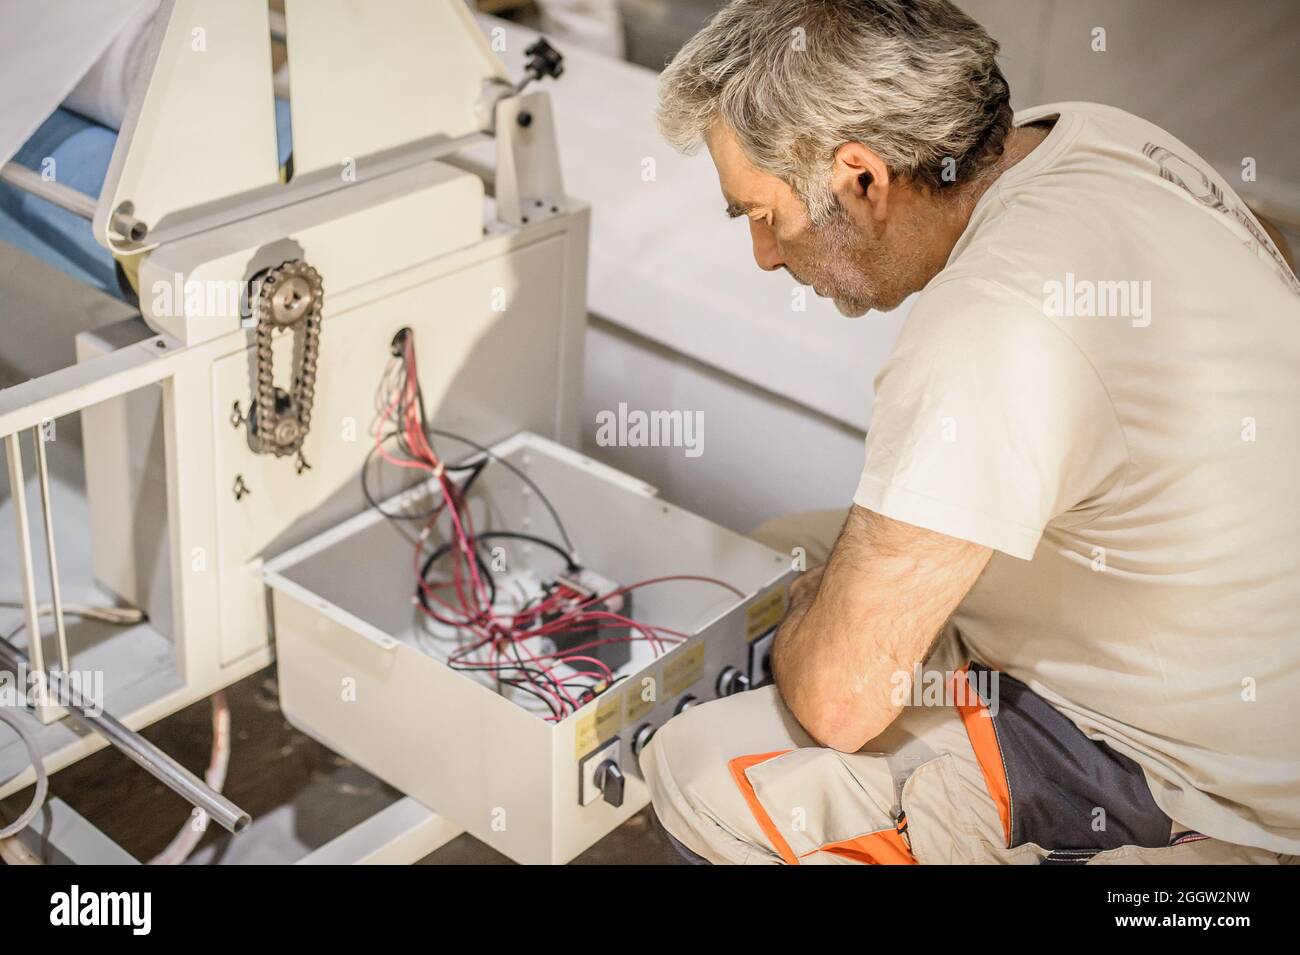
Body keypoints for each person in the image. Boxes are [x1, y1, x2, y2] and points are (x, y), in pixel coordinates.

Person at [640, 0, 1300, 865]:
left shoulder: (992, 317)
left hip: (1216, 783)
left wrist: (821, 628)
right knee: (775, 552)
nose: (765, 255)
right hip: (1235, 654)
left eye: (762, 215)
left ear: (863, 179)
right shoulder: (1088, 136)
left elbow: (839, 700)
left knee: (698, 771)